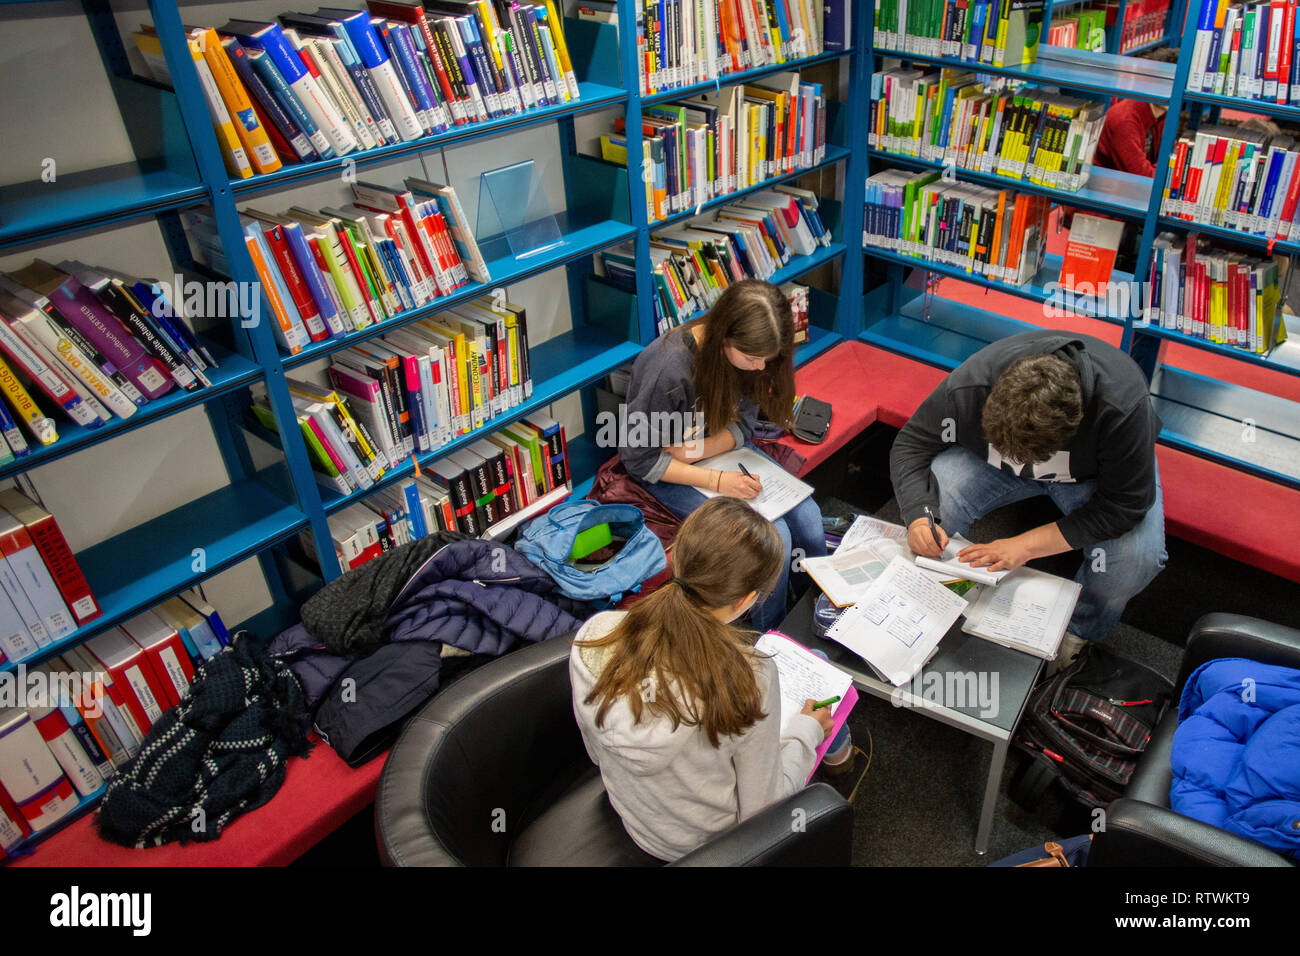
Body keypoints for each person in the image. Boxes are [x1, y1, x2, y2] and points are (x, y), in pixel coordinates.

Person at [570, 497, 852, 862]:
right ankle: (842, 760)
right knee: (819, 663)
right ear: (746, 600)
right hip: (712, 846)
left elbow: (597, 752)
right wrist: (807, 732)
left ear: (678, 558)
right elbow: (761, 812)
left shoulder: (597, 633)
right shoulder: (750, 676)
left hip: (637, 819)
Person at [888, 329, 1167, 664]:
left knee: (1135, 559)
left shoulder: (1123, 409)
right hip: (993, 465)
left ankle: (1079, 633)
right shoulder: (972, 385)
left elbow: (1124, 505)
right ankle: (930, 600)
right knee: (938, 501)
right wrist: (919, 516)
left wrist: (1024, 546)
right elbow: (911, 445)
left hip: (1092, 476)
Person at [618, 278, 826, 631]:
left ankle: (809, 616)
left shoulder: (746, 359)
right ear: (724, 337)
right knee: (772, 537)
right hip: (664, 472)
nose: (761, 368)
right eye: (752, 359)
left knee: (809, 518)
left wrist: (692, 450)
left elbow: (743, 429)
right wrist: (717, 480)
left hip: (704, 456)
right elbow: (641, 460)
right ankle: (768, 635)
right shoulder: (668, 369)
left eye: (767, 359)